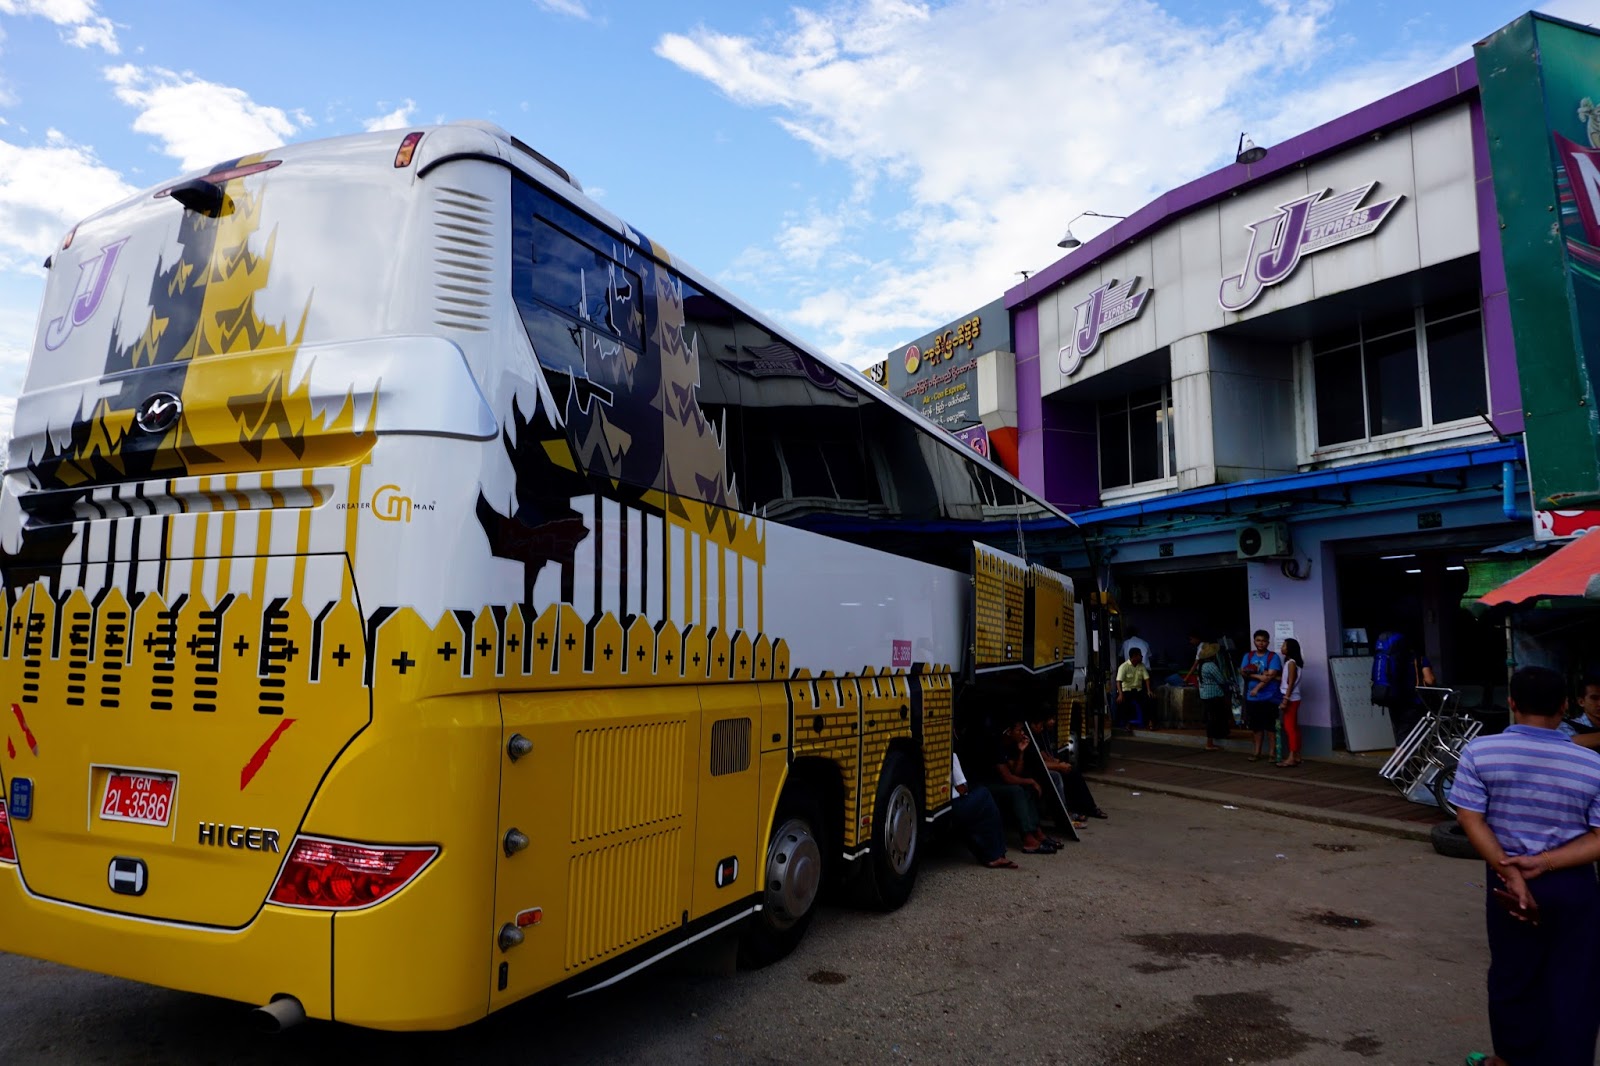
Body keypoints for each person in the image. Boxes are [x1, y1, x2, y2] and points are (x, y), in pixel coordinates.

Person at [1450, 666, 1600, 1066]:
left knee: (1513, 974)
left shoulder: (1480, 752)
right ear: (1565, 706)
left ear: (1511, 703)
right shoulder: (1591, 764)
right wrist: (1545, 862)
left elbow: (1470, 819)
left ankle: (1511, 1059)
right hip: (1573, 885)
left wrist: (1513, 871)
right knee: (1576, 981)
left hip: (1505, 879)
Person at [988, 722, 1060, 854]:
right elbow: (1008, 778)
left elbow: (1016, 773)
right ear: (1009, 732)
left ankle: (1036, 831)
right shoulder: (996, 745)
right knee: (1017, 791)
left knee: (1026, 789)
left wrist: (1021, 752)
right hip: (985, 784)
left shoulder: (1011, 745)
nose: (1022, 733)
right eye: (1019, 730)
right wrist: (1031, 781)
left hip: (1001, 782)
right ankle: (1028, 839)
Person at [1025, 708, 1107, 823]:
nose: (1052, 722)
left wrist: (1057, 762)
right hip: (1035, 771)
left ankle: (1088, 807)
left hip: (1044, 766)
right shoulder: (1028, 738)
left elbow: (1044, 755)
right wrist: (1058, 766)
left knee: (1072, 772)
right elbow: (1036, 763)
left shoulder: (1041, 735)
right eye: (1050, 720)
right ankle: (1066, 812)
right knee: (1059, 775)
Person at [950, 754, 1017, 869]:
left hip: (944, 806)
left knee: (978, 805)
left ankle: (992, 854)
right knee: (985, 795)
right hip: (954, 805)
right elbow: (961, 788)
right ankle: (996, 855)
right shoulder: (951, 755)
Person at [1238, 630, 1281, 762]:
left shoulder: (1273, 657)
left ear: (1268, 642)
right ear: (1254, 641)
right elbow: (1243, 672)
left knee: (1270, 726)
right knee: (1256, 727)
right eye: (1258, 640)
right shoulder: (1249, 656)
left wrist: (1257, 680)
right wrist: (1259, 676)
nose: (1260, 643)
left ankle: (1272, 753)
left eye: (1263, 641)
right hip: (1252, 697)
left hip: (1269, 697)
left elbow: (1271, 675)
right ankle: (1257, 752)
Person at [1197, 642, 1231, 750]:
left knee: (1210, 717)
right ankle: (1210, 743)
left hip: (1204, 694)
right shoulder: (1211, 665)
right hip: (1214, 694)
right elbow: (1221, 679)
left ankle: (1213, 739)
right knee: (1215, 717)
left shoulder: (1201, 665)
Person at [1276, 638, 1304, 768]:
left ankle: (1292, 756)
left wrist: (1285, 699)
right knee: (1293, 727)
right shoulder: (1292, 663)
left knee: (1289, 728)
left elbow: (1290, 682)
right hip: (1293, 697)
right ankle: (1297, 755)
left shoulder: (1291, 663)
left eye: (1284, 645)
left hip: (1291, 698)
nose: (1282, 647)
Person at [1115, 647, 1152, 730]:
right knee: (1122, 702)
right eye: (1140, 655)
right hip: (1126, 691)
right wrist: (1120, 694)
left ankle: (1148, 722)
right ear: (1134, 656)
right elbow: (1118, 681)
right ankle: (1126, 723)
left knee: (1149, 699)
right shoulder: (1123, 667)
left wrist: (1149, 690)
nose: (1142, 657)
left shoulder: (1141, 666)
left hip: (1138, 691)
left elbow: (1147, 678)